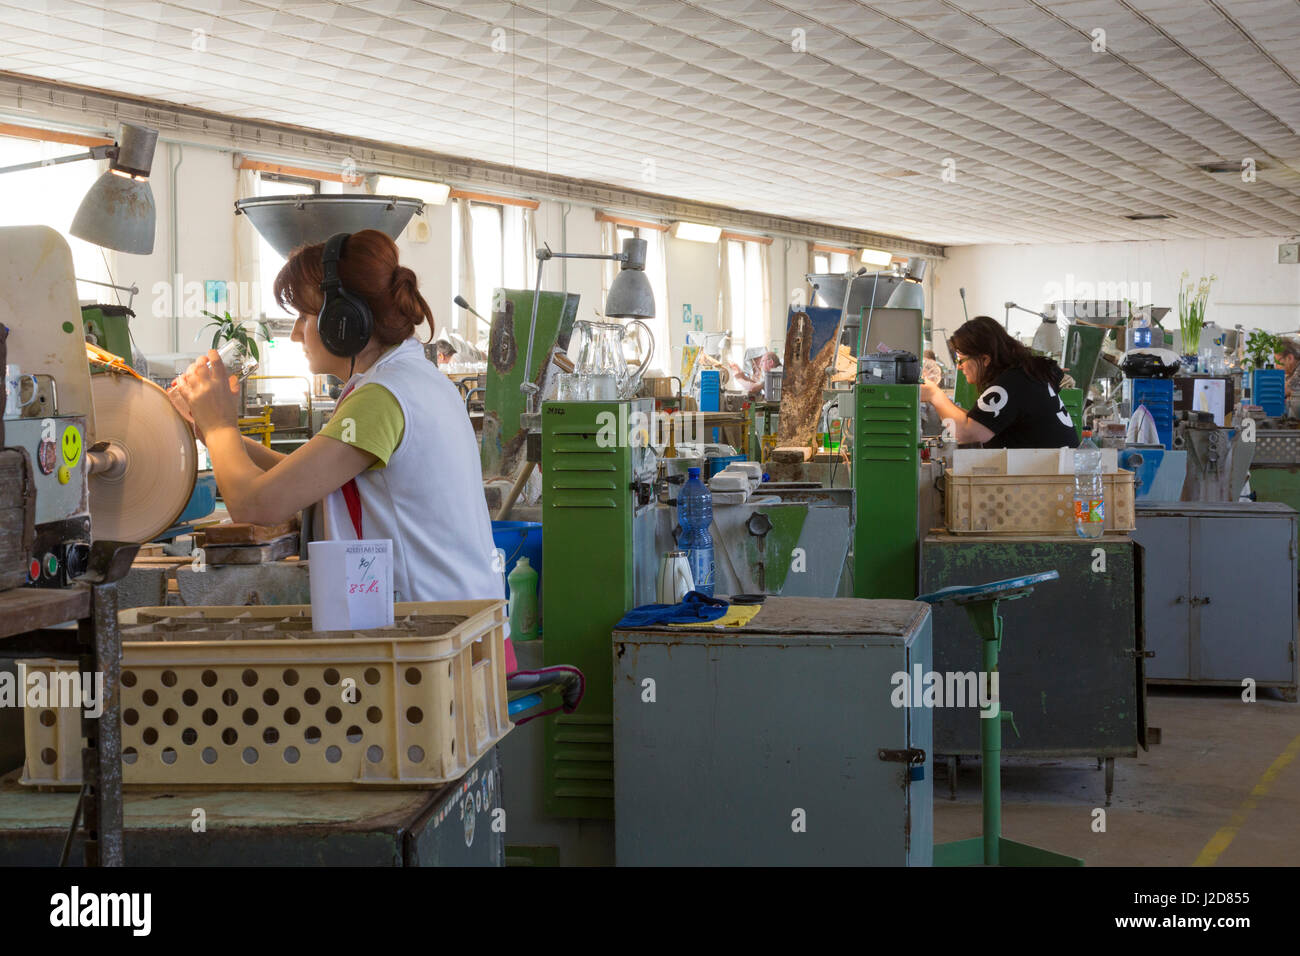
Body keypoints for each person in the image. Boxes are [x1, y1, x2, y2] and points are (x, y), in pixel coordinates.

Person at [171, 229, 514, 667]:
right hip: (466, 641)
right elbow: (309, 477)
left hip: (438, 654)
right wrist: (221, 436)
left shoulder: (384, 397)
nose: (296, 333)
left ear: (345, 321)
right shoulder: (411, 380)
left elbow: (256, 506)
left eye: (304, 316)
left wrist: (219, 424)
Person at [920, 315, 1079, 448]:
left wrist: (935, 395)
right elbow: (976, 422)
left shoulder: (1010, 384)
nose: (960, 367)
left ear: (984, 359)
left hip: (1049, 478)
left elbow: (966, 433)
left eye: (961, 360)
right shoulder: (1021, 376)